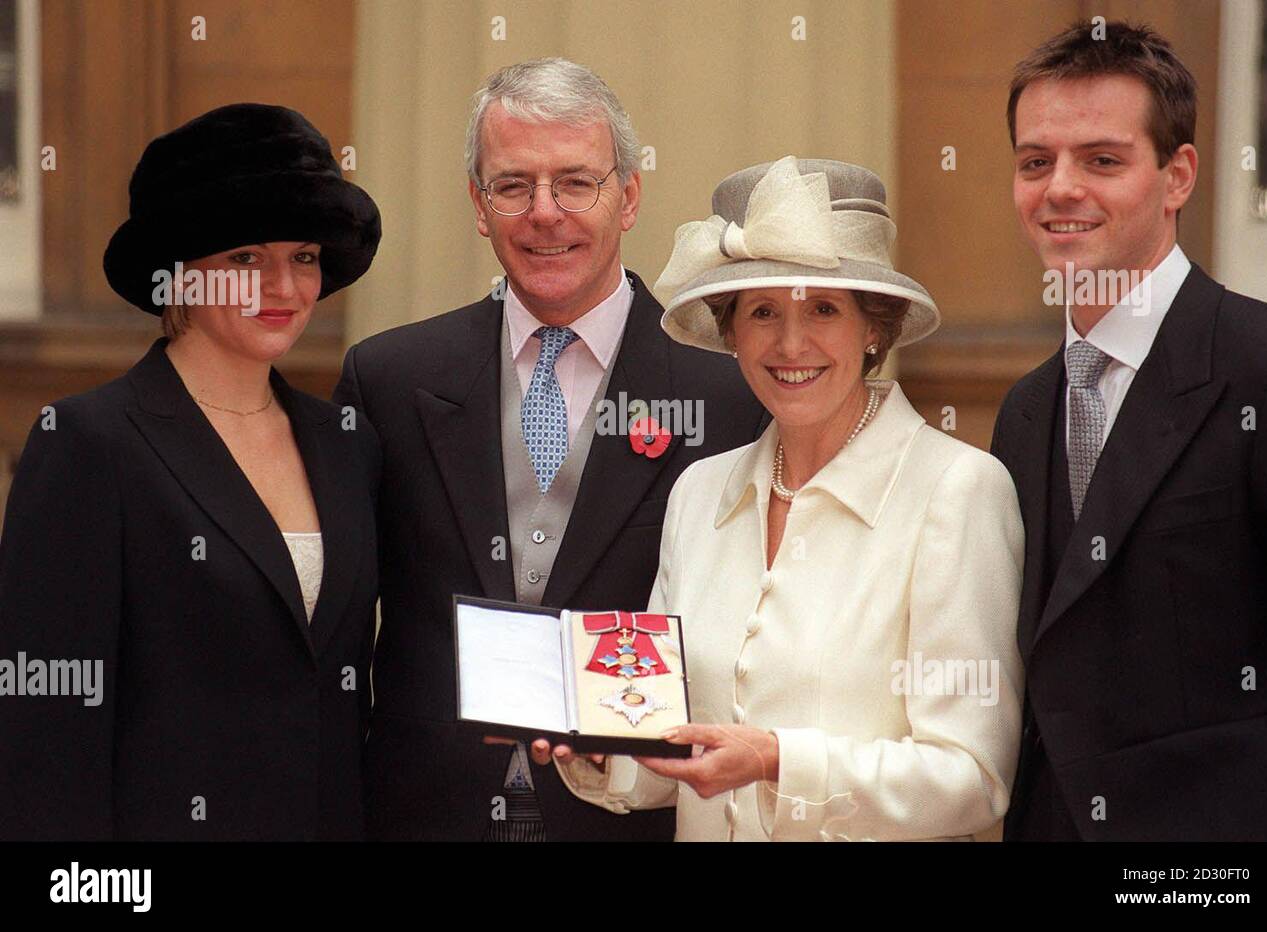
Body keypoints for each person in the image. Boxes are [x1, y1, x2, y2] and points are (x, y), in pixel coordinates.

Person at [332, 58, 764, 841]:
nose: (544, 213)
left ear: (628, 196)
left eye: (575, 183)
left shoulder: (728, 397)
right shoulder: (390, 378)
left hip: (627, 816)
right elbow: (341, 625)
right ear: (478, 204)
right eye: (512, 186)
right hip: (424, 815)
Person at [536, 156, 1025, 841]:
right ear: (732, 332)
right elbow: (672, 753)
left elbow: (973, 779)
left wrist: (777, 759)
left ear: (874, 327)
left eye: (823, 309)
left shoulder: (957, 490)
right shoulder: (698, 491)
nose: (790, 343)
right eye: (763, 311)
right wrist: (603, 747)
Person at [0, 103, 383, 840]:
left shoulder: (347, 443)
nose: (284, 286)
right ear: (181, 274)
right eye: (246, 258)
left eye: (303, 256)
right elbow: (45, 739)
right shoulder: (90, 444)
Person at [993, 21, 1267, 841]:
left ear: (1178, 175)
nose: (1059, 188)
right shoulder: (1025, 410)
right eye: (1035, 161)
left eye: (1101, 159)